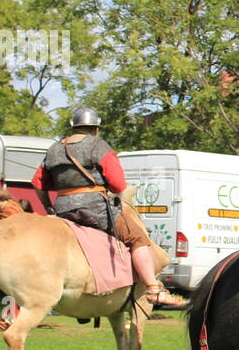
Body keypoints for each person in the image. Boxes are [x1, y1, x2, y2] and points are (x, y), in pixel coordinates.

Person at [31, 107, 178, 306]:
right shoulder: (98, 145)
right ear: (96, 129)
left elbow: (37, 183)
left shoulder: (55, 148)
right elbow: (118, 185)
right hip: (95, 209)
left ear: (73, 127)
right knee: (137, 237)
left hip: (64, 210)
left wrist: (49, 207)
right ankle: (153, 288)